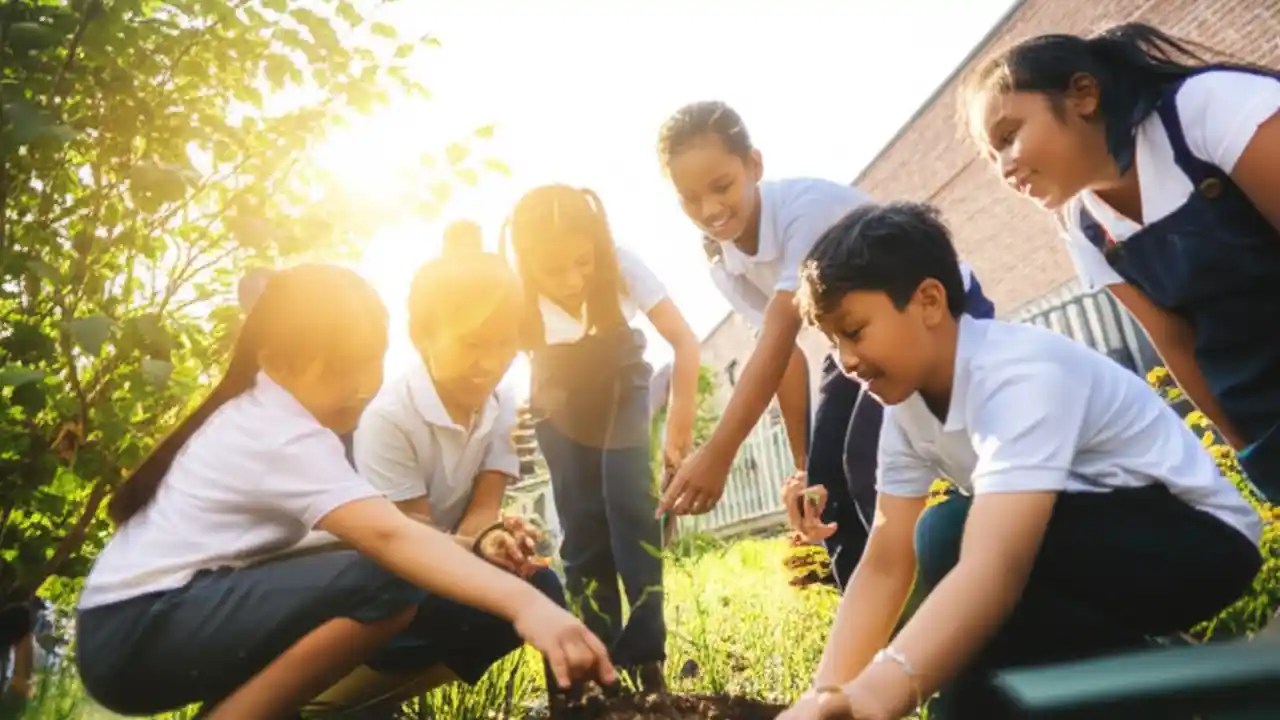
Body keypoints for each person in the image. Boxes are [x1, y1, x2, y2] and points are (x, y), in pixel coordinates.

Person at [779, 202, 1262, 720]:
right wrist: (825, 696)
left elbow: (996, 564)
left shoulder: (1018, 375)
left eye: (854, 331)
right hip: (1091, 552)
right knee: (980, 681)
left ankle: (1191, 689)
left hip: (1199, 542)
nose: (846, 361)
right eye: (833, 345)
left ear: (928, 301)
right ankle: (1153, 680)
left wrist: (873, 697)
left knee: (946, 537)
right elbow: (885, 563)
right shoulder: (905, 414)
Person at [74, 264, 614, 718]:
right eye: (340, 369)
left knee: (399, 575)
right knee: (386, 579)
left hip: (154, 628)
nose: (361, 384)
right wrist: (526, 606)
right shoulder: (275, 430)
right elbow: (387, 539)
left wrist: (474, 547)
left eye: (370, 360)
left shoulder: (298, 425)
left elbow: (369, 534)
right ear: (278, 363)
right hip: (137, 631)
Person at [654, 101, 995, 589]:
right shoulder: (722, 261)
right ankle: (869, 622)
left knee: (865, 459)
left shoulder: (804, 210)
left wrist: (720, 452)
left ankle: (937, 598)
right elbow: (786, 359)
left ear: (753, 165)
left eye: (722, 186)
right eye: (689, 198)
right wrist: (802, 466)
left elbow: (778, 335)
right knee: (825, 484)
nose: (709, 210)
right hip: (855, 344)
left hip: (931, 319)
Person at [958, 22, 1280, 502]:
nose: (1004, 167)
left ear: (1083, 95)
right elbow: (1175, 342)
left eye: (1008, 136)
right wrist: (1249, 450)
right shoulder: (1084, 227)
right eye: (991, 156)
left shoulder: (1205, 109)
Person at [323, 243, 570, 710]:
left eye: (503, 344)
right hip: (383, 586)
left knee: (539, 584)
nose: (489, 362)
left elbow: (481, 514)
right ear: (423, 337)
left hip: (444, 563)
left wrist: (497, 539)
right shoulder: (389, 419)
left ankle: (576, 706)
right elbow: (407, 549)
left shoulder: (499, 403)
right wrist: (480, 553)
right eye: (472, 344)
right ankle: (332, 701)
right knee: (417, 603)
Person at [504, 184, 702, 690]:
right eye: (556, 270)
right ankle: (601, 661)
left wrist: (679, 425)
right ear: (527, 261)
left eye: (582, 262)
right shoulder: (515, 293)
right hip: (558, 400)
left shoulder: (620, 264)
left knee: (629, 504)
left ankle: (646, 656)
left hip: (621, 385)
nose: (573, 280)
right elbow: (490, 366)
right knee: (583, 521)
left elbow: (683, 339)